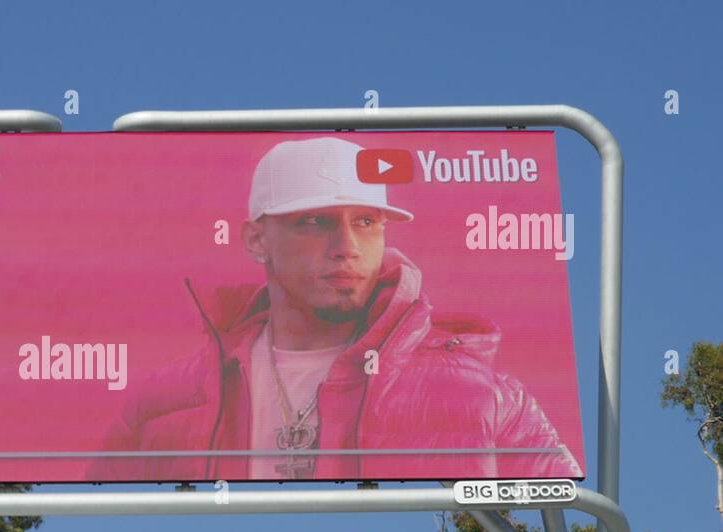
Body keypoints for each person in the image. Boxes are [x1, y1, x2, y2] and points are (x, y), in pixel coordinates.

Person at [85, 137, 581, 482]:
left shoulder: (482, 396)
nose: (346, 247)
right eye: (314, 222)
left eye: (365, 221)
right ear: (257, 239)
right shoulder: (161, 406)